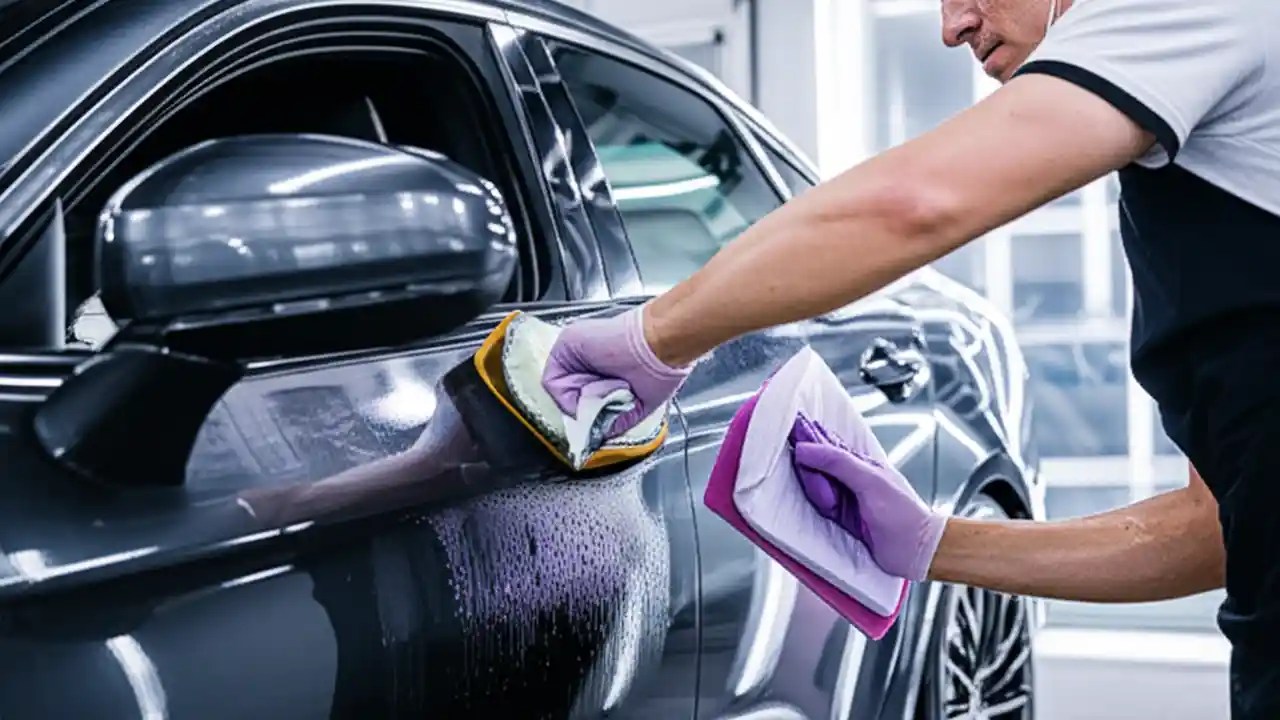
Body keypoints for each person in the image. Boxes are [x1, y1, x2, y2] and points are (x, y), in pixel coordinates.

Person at [540, 0, 1280, 716]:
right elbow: (1215, 524)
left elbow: (911, 205)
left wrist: (652, 338)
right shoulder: (1201, 188)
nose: (953, 25)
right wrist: (931, 544)